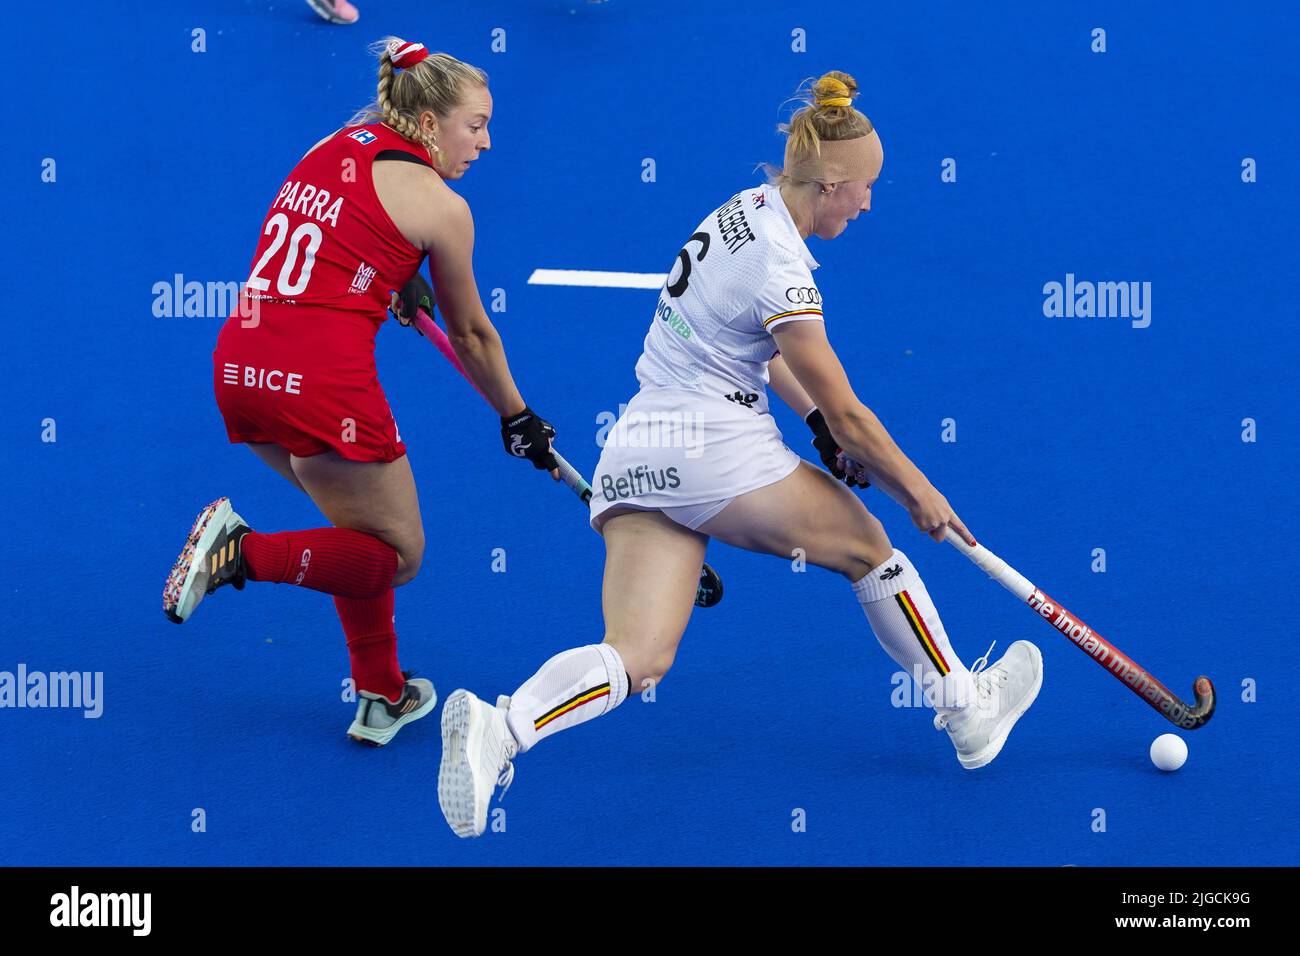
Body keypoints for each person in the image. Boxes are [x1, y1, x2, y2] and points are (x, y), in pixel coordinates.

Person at [436, 71, 1043, 838]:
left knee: (637, 656)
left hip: (638, 449)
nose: (867, 203)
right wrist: (918, 489)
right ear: (829, 184)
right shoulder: (783, 267)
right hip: (712, 446)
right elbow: (853, 413)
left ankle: (505, 727)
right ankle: (968, 712)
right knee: (870, 549)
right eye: (861, 190)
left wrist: (816, 426)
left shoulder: (745, 211)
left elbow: (767, 361)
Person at [163, 38, 559, 747]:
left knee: (357, 533)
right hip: (321, 386)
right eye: (477, 125)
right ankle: (243, 552)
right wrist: (517, 415)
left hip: (240, 369)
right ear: (431, 122)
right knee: (397, 555)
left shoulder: (337, 140)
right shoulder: (443, 207)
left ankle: (381, 693)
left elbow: (336, 230)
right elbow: (471, 336)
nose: (488, 142)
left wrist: (392, 273)